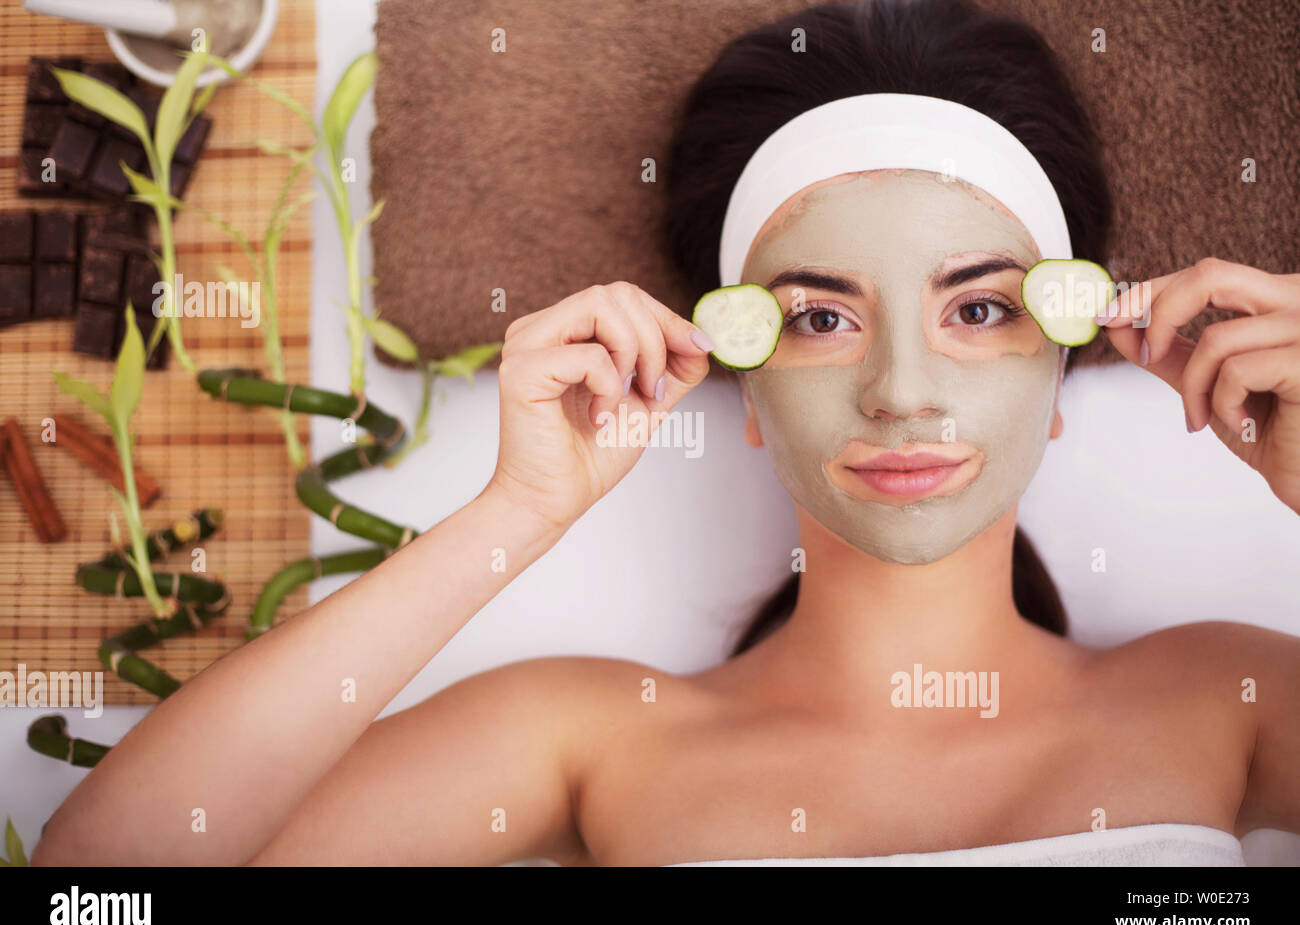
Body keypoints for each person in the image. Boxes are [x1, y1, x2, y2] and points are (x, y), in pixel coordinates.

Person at [32, 0, 1300, 867]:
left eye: (977, 307)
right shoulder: (597, 737)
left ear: (1067, 361)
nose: (901, 393)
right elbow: (103, 885)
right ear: (735, 376)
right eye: (816, 316)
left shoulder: (1226, 699)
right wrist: (513, 512)